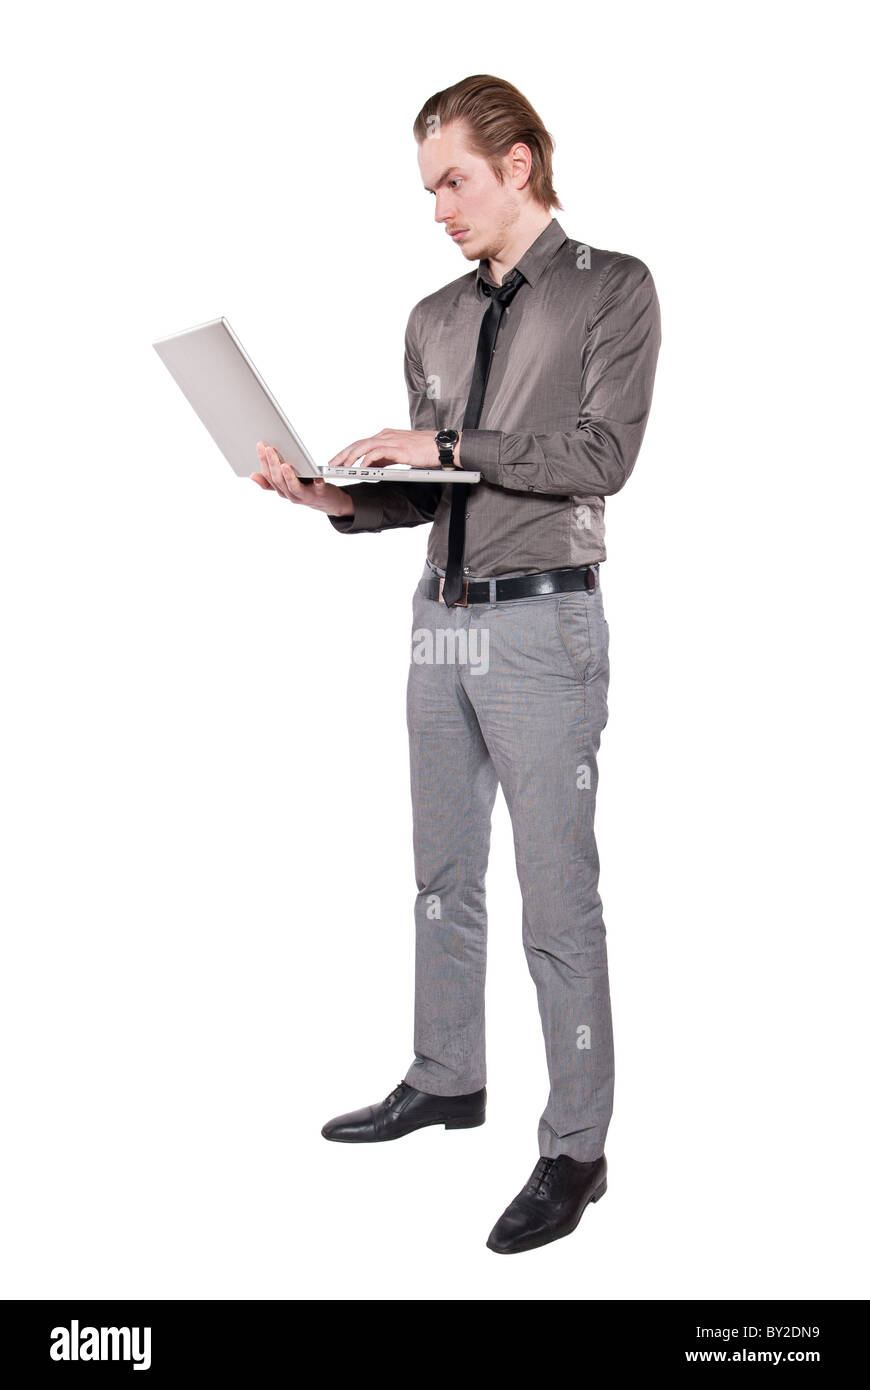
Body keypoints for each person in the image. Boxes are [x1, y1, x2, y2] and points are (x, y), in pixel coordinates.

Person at [251, 73, 661, 1254]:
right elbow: (437, 488)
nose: (438, 207)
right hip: (440, 620)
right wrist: (333, 495)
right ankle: (447, 1075)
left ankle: (576, 1151)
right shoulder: (432, 314)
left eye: (454, 182)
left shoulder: (613, 288)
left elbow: (599, 454)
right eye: (429, 187)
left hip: (545, 627)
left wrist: (437, 438)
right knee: (441, 874)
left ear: (520, 164)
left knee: (558, 899)